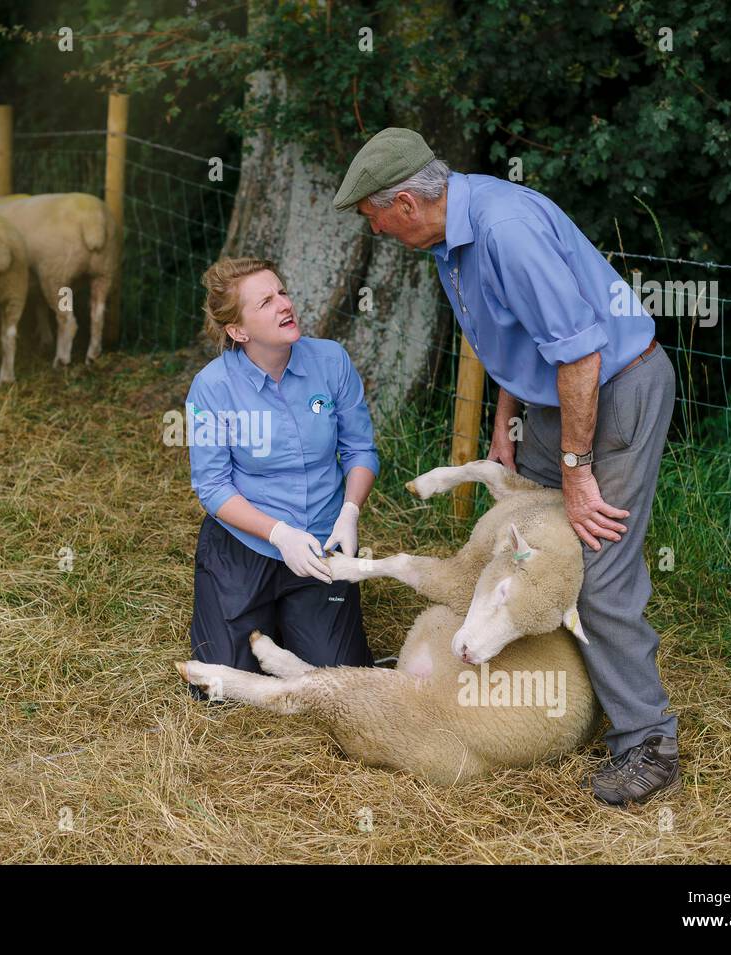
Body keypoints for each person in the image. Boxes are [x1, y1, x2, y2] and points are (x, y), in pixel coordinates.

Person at [332, 127, 680, 806]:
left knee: (592, 565)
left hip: (612, 390)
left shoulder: (505, 231)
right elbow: (515, 339)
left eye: (375, 221)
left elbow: (580, 354)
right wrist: (504, 427)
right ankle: (562, 702)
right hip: (557, 399)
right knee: (520, 554)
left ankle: (649, 741)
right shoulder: (448, 241)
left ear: (405, 202)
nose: (380, 234)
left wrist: (577, 472)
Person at [184, 257, 380, 699]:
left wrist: (350, 511)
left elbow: (360, 450)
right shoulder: (211, 387)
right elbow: (213, 488)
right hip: (246, 545)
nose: (284, 306)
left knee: (341, 685)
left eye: (282, 292)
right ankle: (257, 612)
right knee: (219, 689)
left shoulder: (331, 361)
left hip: (319, 543)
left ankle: (295, 617)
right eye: (265, 302)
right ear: (239, 331)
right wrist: (278, 535)